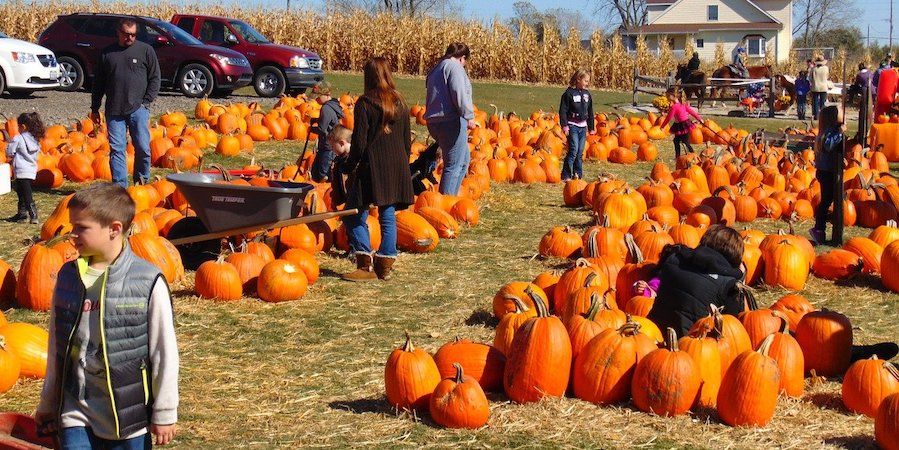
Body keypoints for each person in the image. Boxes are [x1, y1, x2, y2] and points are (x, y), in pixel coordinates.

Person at [35, 182, 178, 449]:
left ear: (114, 229)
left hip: (127, 416)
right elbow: (57, 346)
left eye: (81, 227)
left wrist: (165, 411)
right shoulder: (68, 277)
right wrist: (49, 402)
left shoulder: (146, 281)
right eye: (72, 226)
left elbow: (163, 350)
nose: (72, 234)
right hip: (76, 410)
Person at [341, 57, 414, 282]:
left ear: (368, 76)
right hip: (397, 165)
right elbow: (406, 140)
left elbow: (360, 143)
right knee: (387, 214)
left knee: (353, 214)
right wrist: (402, 163)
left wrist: (348, 166)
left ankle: (365, 265)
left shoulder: (365, 102)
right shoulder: (400, 101)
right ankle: (385, 264)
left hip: (372, 166)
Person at [90, 18, 161, 188]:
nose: (130, 38)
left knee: (143, 147)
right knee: (117, 149)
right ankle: (120, 187)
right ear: (118, 33)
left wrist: (147, 101)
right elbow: (98, 82)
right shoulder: (107, 53)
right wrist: (95, 107)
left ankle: (141, 181)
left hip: (138, 108)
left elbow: (155, 77)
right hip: (114, 110)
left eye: (133, 35)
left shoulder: (146, 51)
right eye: (126, 34)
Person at [646, 224, 749, 337]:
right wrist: (741, 280)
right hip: (691, 342)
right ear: (734, 257)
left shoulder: (675, 257)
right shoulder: (727, 283)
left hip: (653, 332)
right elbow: (733, 325)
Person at [425, 42, 475, 196]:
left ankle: (452, 198)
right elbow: (458, 94)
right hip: (450, 120)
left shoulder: (437, 68)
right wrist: (469, 117)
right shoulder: (455, 68)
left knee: (464, 160)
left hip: (434, 120)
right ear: (463, 58)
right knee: (453, 165)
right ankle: (446, 201)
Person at [809, 105, 844, 245]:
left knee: (828, 199)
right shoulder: (829, 131)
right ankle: (818, 228)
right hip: (826, 172)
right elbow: (828, 146)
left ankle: (821, 227)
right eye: (841, 112)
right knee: (826, 200)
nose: (843, 113)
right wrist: (839, 134)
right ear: (833, 117)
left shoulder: (829, 129)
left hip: (827, 171)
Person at [3, 112, 44, 223]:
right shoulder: (35, 139)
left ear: (23, 127)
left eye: (18, 127)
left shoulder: (18, 138)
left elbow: (10, 152)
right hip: (31, 170)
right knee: (21, 191)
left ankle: (33, 215)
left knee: (26, 193)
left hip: (21, 170)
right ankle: (22, 214)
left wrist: (8, 147)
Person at [558, 69, 595, 181]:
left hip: (582, 127)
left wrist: (591, 127)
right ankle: (566, 175)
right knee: (573, 150)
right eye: (585, 81)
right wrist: (565, 126)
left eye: (588, 81)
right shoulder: (568, 94)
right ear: (578, 79)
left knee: (579, 152)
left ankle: (577, 174)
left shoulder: (587, 94)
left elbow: (590, 111)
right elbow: (563, 111)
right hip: (572, 126)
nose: (587, 83)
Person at [309, 82, 346, 182]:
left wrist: (311, 129)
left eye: (318, 97)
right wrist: (317, 120)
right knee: (320, 171)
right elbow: (330, 121)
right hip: (331, 146)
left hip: (327, 146)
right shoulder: (333, 106)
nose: (316, 100)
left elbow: (322, 129)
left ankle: (324, 193)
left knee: (323, 174)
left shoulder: (325, 108)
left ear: (326, 95)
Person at [659, 87, 702, 159]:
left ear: (672, 96)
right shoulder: (682, 104)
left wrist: (662, 126)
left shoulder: (674, 107)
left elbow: (668, 118)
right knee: (677, 141)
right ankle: (678, 157)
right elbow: (692, 112)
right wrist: (699, 118)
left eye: (668, 95)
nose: (667, 97)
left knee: (685, 142)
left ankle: (694, 156)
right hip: (681, 125)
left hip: (683, 125)